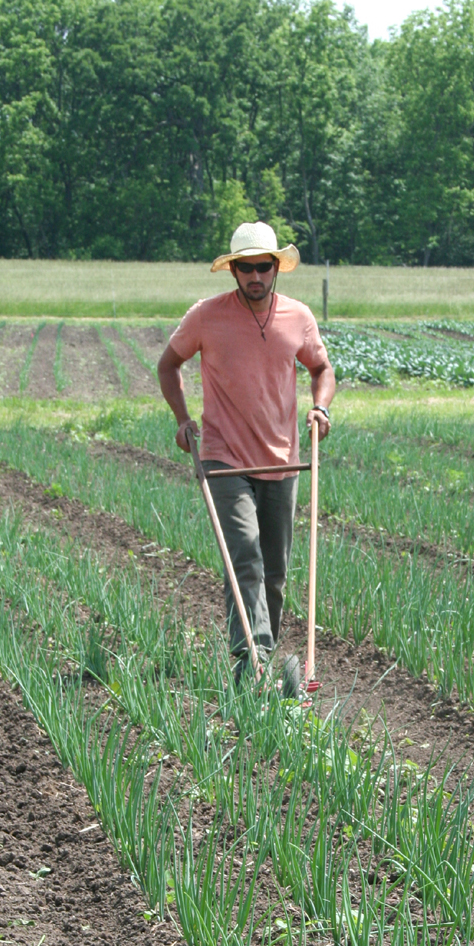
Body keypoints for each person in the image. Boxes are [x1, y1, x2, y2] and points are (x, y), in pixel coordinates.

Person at [158, 221, 335, 687]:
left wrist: (319, 408)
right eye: (245, 268)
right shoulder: (206, 316)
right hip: (224, 459)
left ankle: (264, 657)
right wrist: (182, 419)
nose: (255, 276)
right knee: (246, 558)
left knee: (274, 573)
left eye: (262, 267)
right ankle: (249, 660)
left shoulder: (298, 317)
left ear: (276, 267)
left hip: (284, 460)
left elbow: (322, 368)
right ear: (233, 271)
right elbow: (168, 364)